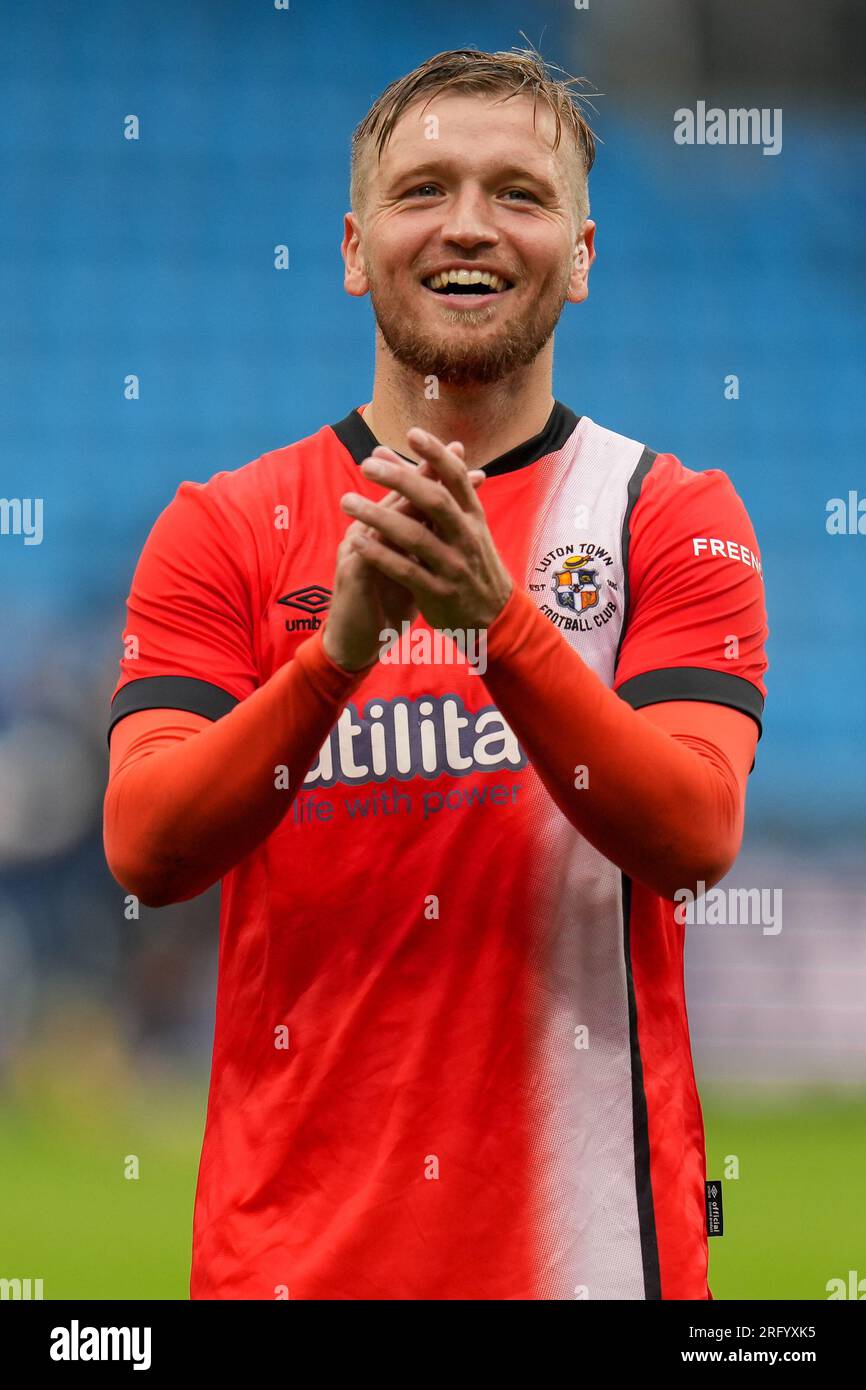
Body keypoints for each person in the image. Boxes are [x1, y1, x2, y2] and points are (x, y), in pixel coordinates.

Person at [104, 46, 768, 1300]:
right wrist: (333, 658)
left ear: (580, 256)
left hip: (592, 1266)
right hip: (284, 1270)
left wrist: (500, 629)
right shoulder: (226, 526)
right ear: (355, 250)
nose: (467, 224)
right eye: (423, 191)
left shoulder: (665, 516)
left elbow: (691, 834)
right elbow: (147, 848)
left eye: (518, 193)